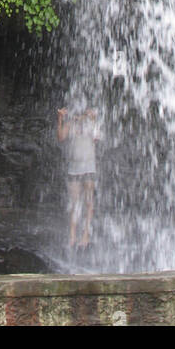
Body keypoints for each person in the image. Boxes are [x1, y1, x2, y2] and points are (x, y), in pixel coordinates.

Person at [57, 104, 99, 249]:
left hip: (89, 168)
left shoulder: (91, 124)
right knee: (74, 202)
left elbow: (96, 137)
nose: (80, 117)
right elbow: (61, 137)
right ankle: (72, 236)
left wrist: (93, 120)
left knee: (88, 202)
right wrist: (60, 119)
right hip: (74, 169)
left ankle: (86, 234)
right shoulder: (70, 124)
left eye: (83, 114)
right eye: (78, 115)